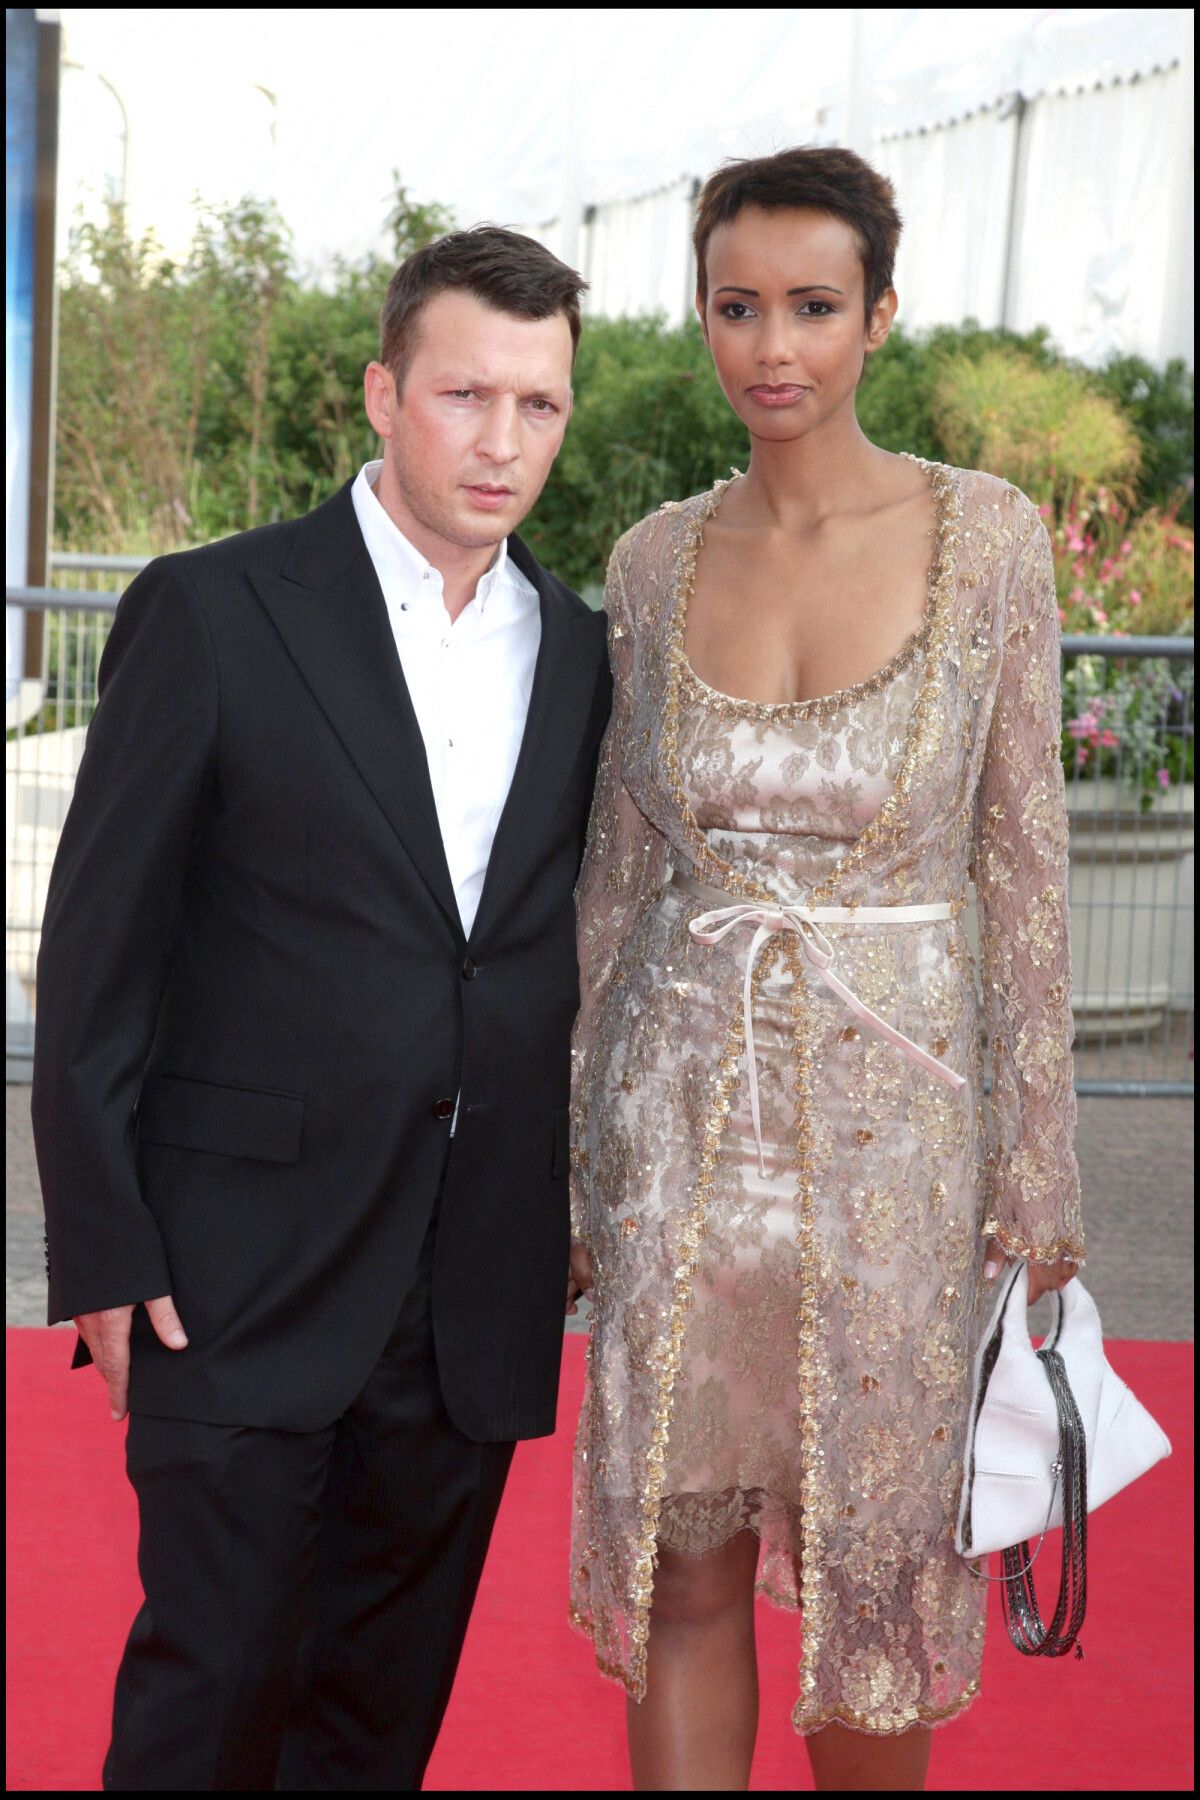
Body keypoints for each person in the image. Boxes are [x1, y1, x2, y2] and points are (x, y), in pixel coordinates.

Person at [33, 225, 610, 1792]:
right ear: (381, 392)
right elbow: (95, 960)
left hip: (468, 1287)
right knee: (209, 1705)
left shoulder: (580, 653)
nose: (501, 443)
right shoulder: (214, 610)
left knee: (373, 1728)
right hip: (234, 1272)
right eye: (464, 395)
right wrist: (103, 1248)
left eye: (540, 406)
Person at [565, 147, 1084, 1792]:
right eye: (738, 308)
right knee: (683, 1569)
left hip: (896, 1145)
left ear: (880, 315)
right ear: (702, 318)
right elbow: (613, 886)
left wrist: (1041, 1164)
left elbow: (1026, 864)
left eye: (811, 306)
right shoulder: (651, 562)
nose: (772, 347)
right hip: (682, 1133)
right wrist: (575, 1167)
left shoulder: (986, 538)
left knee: (875, 1575)